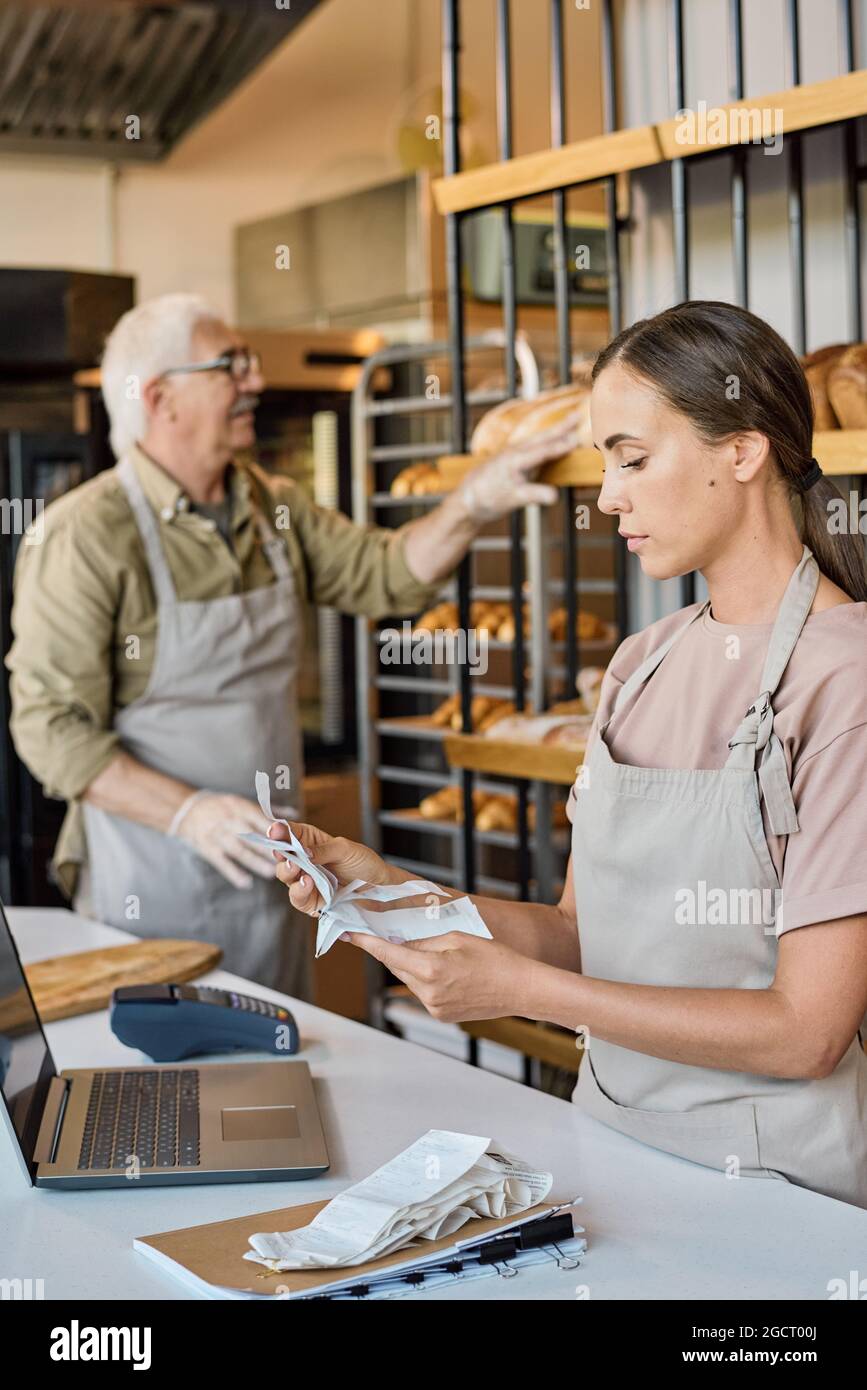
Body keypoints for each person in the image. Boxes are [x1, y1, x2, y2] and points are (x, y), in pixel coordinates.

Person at [268, 300, 867, 1208]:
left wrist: (526, 992)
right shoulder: (639, 665)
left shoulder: (846, 677)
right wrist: (385, 891)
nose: (606, 496)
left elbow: (805, 1033)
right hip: (613, 1142)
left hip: (781, 1185)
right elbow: (581, 935)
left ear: (742, 452)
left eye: (631, 459)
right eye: (602, 464)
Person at [6, 292, 577, 999]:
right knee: (161, 1091)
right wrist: (189, 812)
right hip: (150, 879)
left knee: (266, 1072)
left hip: (272, 876)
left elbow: (388, 577)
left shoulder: (269, 505)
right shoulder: (86, 534)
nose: (255, 381)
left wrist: (473, 502)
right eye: (230, 365)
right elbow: (49, 727)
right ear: (161, 397)